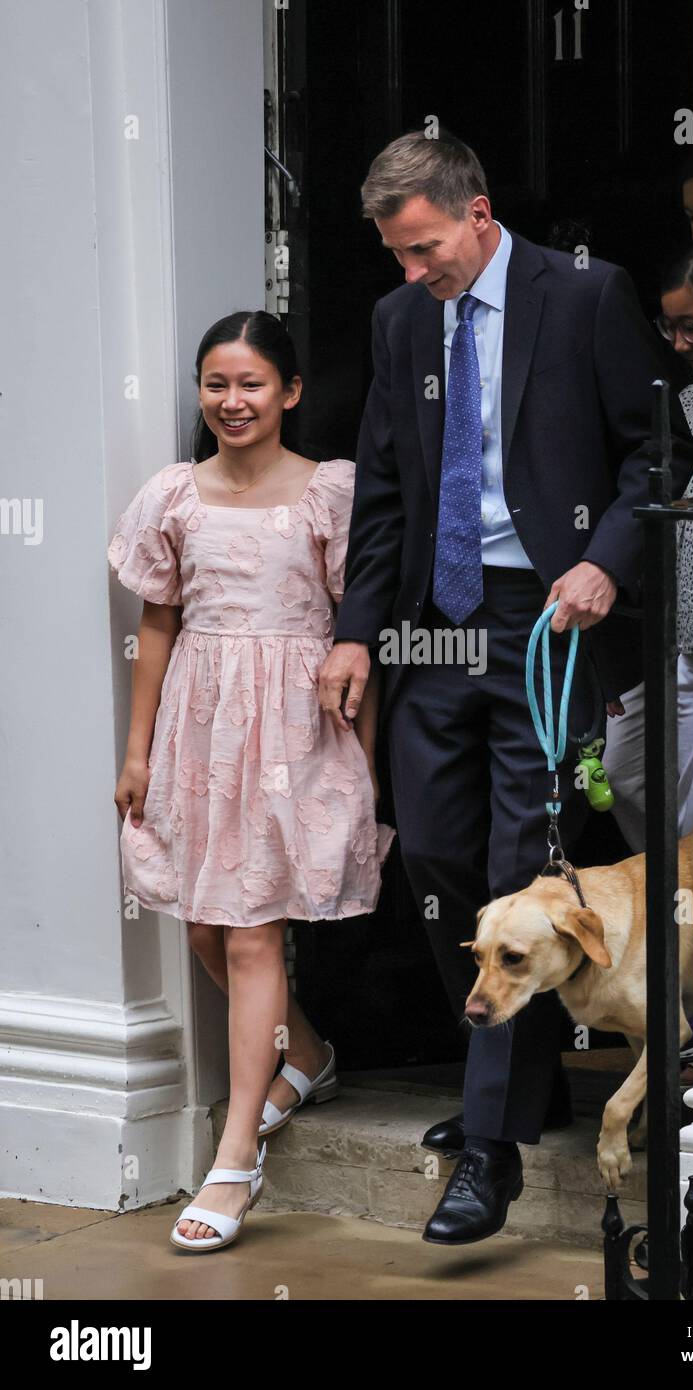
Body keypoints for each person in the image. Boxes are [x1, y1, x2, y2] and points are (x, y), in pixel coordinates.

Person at [318, 132, 693, 1245]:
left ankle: (488, 1154)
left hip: (549, 617)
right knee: (432, 853)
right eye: (396, 253)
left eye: (424, 248)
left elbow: (655, 456)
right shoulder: (398, 323)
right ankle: (520, 1080)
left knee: (509, 870)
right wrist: (353, 635)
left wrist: (603, 561)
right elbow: (383, 491)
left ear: (477, 215)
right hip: (435, 627)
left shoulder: (585, 296)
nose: (410, 271)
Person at [108, 311, 393, 1251]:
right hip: (201, 723)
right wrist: (140, 748)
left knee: (251, 933)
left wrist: (366, 763)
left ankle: (235, 1158)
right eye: (216, 385)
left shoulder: (328, 494)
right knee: (203, 926)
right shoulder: (173, 497)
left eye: (253, 385)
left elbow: (364, 640)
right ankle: (305, 1053)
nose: (233, 402)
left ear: (291, 393)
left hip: (296, 724)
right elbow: (156, 628)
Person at [602, 241, 693, 1084]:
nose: (679, 341)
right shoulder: (673, 395)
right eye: (669, 327)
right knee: (630, 770)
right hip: (667, 635)